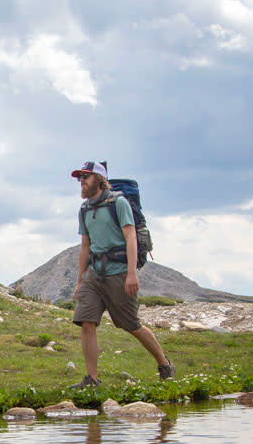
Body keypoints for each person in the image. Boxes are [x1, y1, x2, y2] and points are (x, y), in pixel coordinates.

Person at [69, 161, 174, 389]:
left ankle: (165, 364)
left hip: (119, 273)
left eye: (85, 177)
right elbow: (85, 246)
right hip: (94, 275)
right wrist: (79, 281)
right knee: (87, 322)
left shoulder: (119, 203)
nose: (81, 181)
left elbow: (131, 238)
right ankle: (92, 380)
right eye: (79, 178)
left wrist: (131, 274)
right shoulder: (84, 209)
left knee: (131, 325)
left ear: (99, 179)